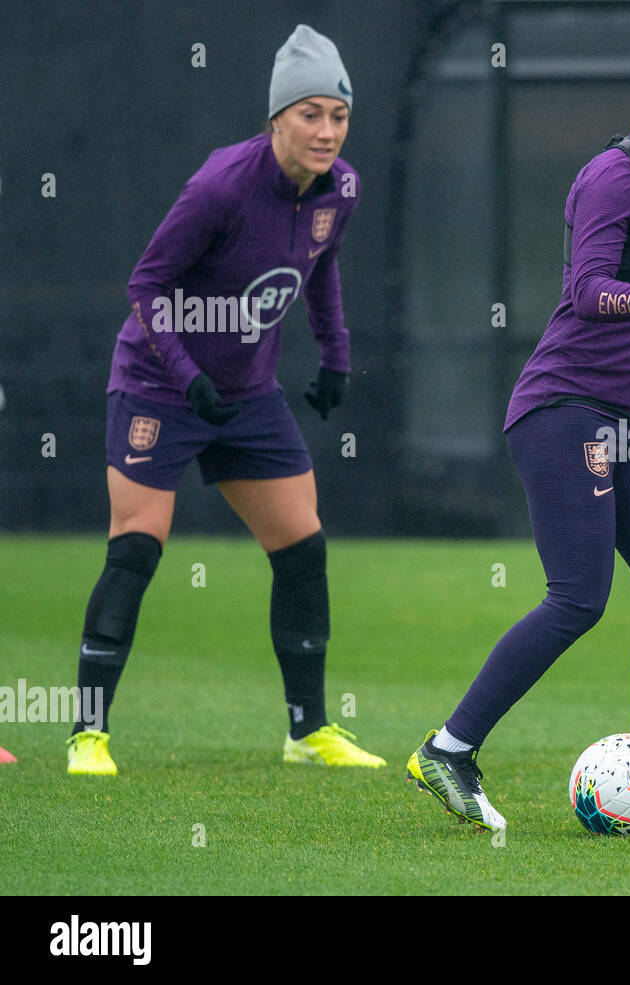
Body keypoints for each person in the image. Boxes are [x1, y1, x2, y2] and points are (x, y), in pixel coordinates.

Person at [405, 35, 630, 834]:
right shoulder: (612, 175)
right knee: (579, 597)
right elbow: (589, 292)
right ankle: (448, 750)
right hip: (566, 408)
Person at [66, 24, 384, 775]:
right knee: (137, 547)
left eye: (338, 116)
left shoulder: (341, 189)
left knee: (302, 548)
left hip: (245, 394)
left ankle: (306, 733)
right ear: (276, 118)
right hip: (158, 384)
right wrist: (185, 376)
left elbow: (323, 267)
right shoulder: (221, 186)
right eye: (311, 114)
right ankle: (87, 734)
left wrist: (336, 358)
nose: (327, 130)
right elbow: (145, 285)